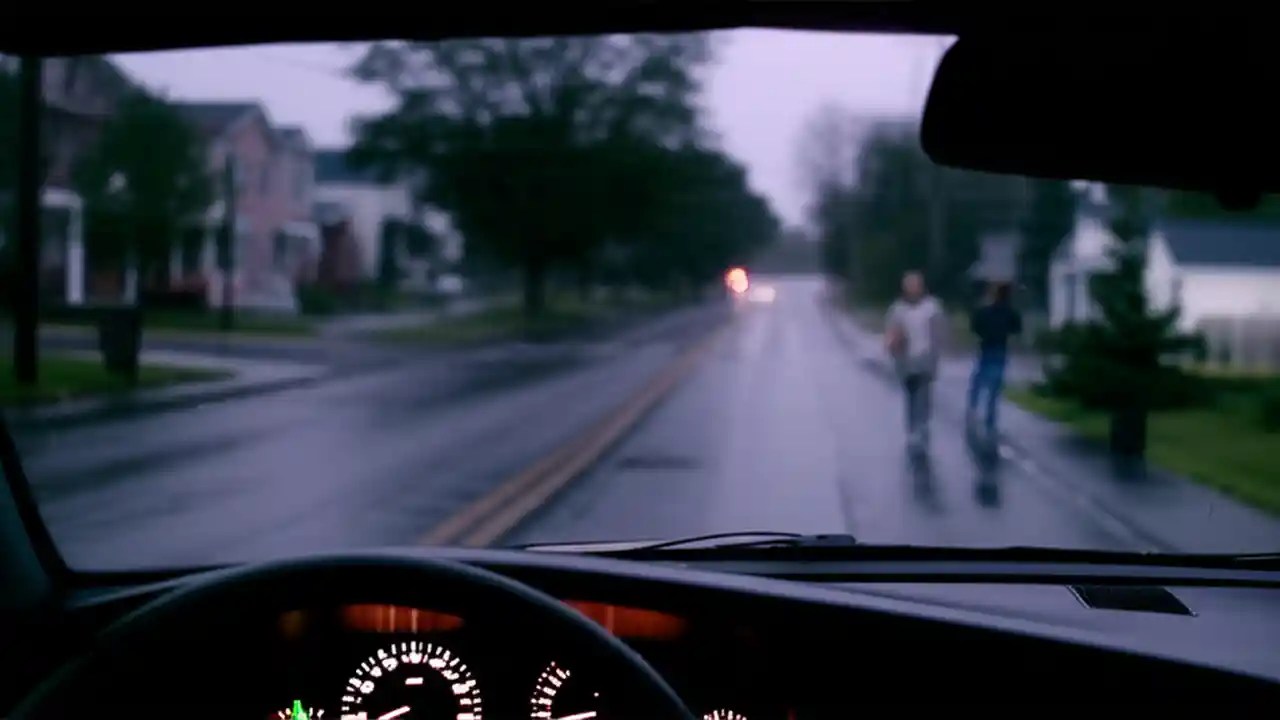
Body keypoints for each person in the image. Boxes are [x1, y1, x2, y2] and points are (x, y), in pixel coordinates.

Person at [885, 271, 945, 452]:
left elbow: (939, 331)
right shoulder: (898, 309)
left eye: (915, 285)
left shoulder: (932, 307)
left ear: (921, 287)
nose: (912, 289)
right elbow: (890, 332)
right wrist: (892, 345)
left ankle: (921, 427)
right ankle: (912, 428)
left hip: (925, 358)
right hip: (905, 360)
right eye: (909, 286)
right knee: (911, 397)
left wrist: (937, 354)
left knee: (923, 396)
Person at [967, 281, 1022, 437]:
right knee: (994, 387)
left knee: (979, 380)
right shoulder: (1010, 312)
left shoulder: (985, 311)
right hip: (1000, 350)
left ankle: (973, 408)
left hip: (986, 349)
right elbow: (1017, 329)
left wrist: (980, 336)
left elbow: (975, 326)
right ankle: (990, 420)